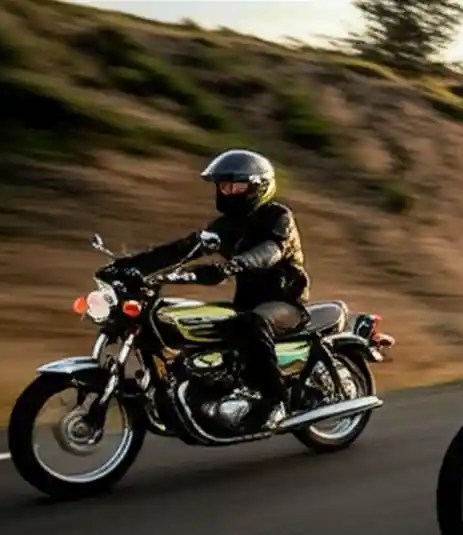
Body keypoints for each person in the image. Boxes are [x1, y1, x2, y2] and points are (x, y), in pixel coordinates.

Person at [105, 149, 310, 429]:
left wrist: (233, 266)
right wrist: (130, 266)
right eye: (223, 185)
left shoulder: (277, 216)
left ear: (258, 186)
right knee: (203, 322)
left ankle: (275, 401)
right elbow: (182, 249)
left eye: (234, 185)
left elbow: (270, 250)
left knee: (253, 322)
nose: (227, 191)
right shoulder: (225, 226)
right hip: (246, 301)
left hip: (286, 303)